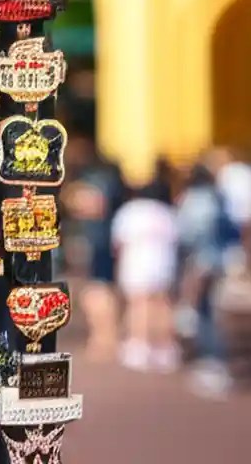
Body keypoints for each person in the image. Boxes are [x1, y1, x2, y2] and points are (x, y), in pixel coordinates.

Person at [175, 159, 235, 398]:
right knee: (211, 311)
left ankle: (211, 362)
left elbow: (188, 234)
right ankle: (216, 361)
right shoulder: (216, 197)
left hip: (200, 262)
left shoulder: (193, 200)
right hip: (219, 261)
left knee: (203, 312)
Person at [62, 136, 125, 361]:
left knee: (96, 291)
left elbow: (92, 206)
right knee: (100, 289)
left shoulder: (94, 179)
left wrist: (71, 198)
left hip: (95, 239)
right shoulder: (109, 178)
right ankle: (105, 336)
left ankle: (104, 337)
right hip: (101, 239)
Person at [112, 174, 181, 373]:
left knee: (138, 305)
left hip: (136, 264)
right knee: (163, 304)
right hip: (163, 263)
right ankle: (165, 348)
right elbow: (176, 240)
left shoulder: (130, 212)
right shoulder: (166, 213)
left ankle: (139, 346)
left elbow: (119, 243)